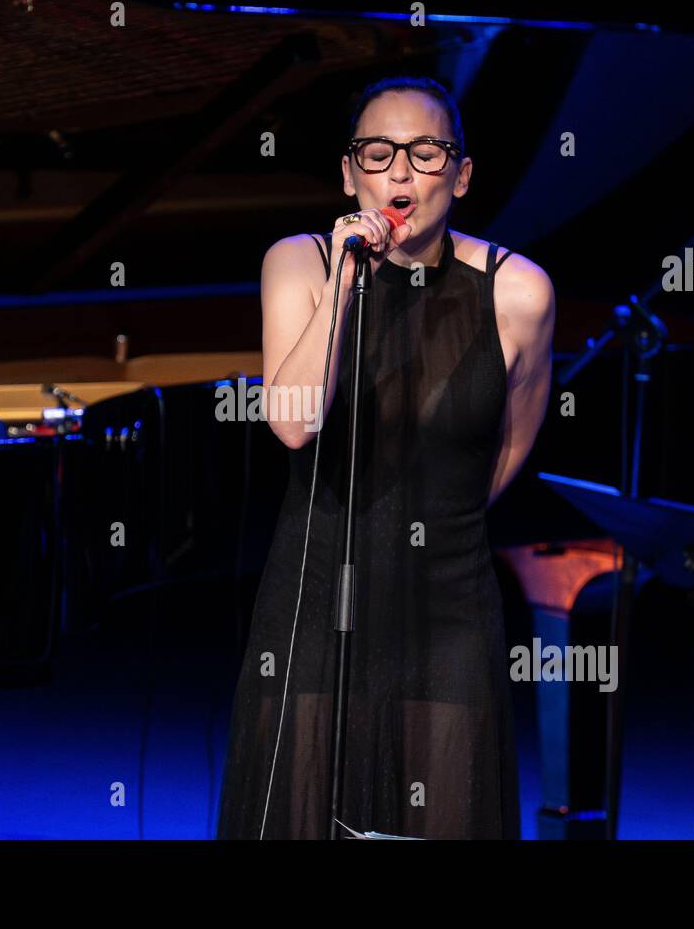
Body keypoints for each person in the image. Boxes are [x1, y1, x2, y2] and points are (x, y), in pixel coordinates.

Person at [216, 76, 554, 839]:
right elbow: (295, 423)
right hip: (311, 598)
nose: (400, 174)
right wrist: (345, 279)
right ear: (349, 174)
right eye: (378, 153)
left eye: (425, 153)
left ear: (460, 175)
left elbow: (506, 451)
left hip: (446, 608)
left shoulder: (519, 292)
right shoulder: (300, 263)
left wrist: (427, 523)